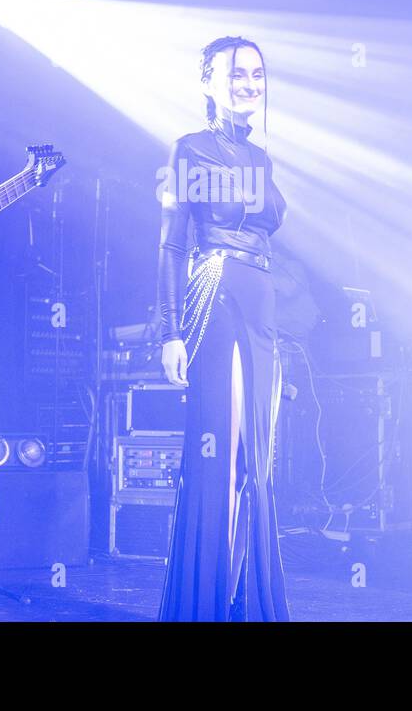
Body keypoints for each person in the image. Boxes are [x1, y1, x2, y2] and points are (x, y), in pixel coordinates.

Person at [156, 35, 290, 621]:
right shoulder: (190, 149)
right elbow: (170, 243)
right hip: (217, 299)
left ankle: (247, 600)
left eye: (257, 75)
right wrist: (168, 331)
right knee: (223, 451)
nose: (250, 84)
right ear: (208, 81)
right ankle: (208, 604)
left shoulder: (260, 157)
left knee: (257, 457)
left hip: (261, 305)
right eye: (237, 74)